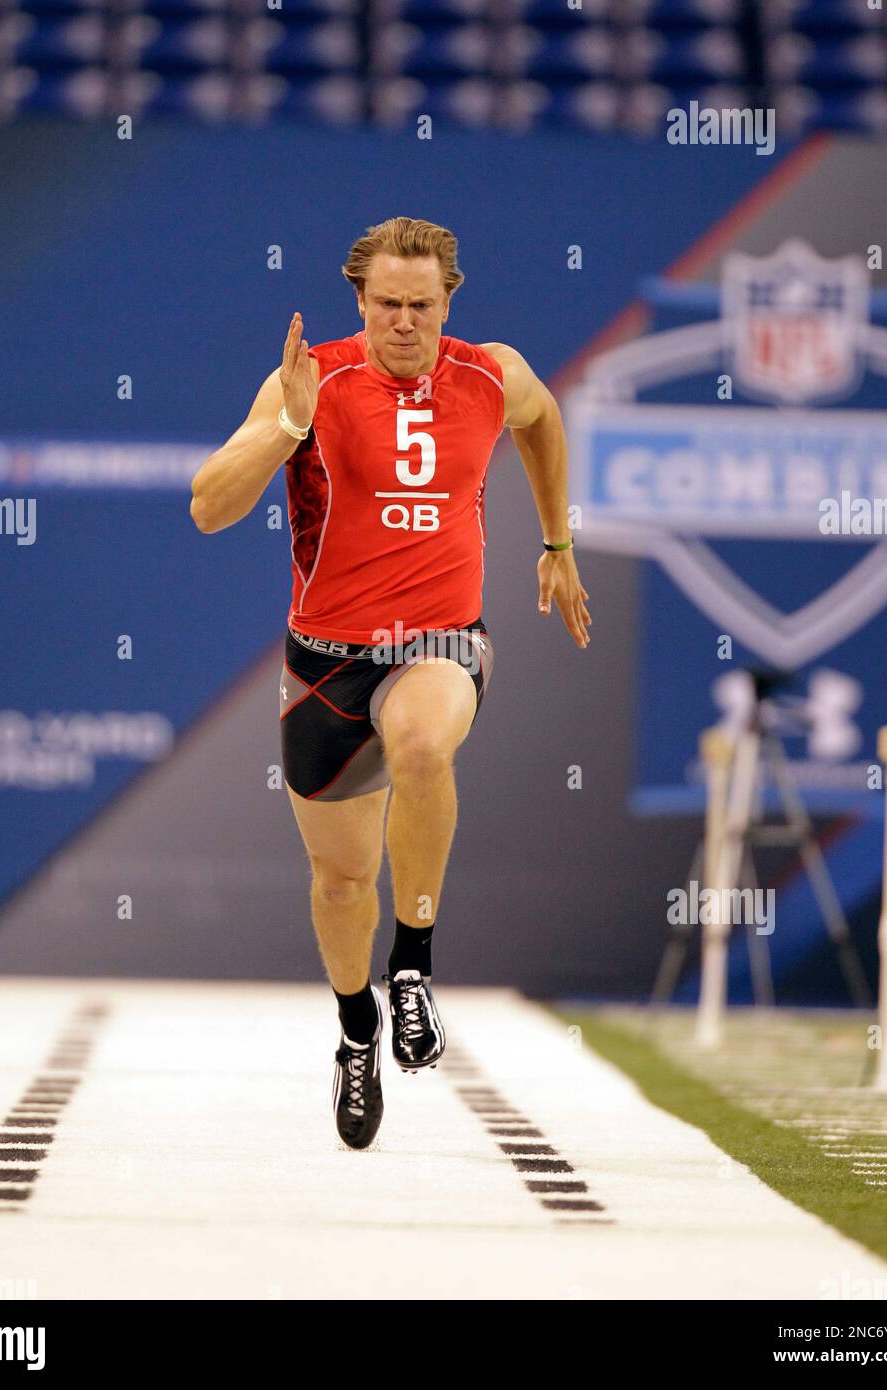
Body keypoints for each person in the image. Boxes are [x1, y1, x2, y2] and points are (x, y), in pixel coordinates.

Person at [191, 217, 590, 1149]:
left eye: (421, 305)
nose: (404, 322)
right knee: (339, 880)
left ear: (450, 301)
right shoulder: (313, 381)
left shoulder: (493, 373)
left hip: (439, 640)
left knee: (420, 744)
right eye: (386, 305)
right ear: (358, 303)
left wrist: (557, 542)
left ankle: (412, 967)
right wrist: (286, 426)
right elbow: (210, 506)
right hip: (326, 660)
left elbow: (543, 422)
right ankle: (357, 1029)